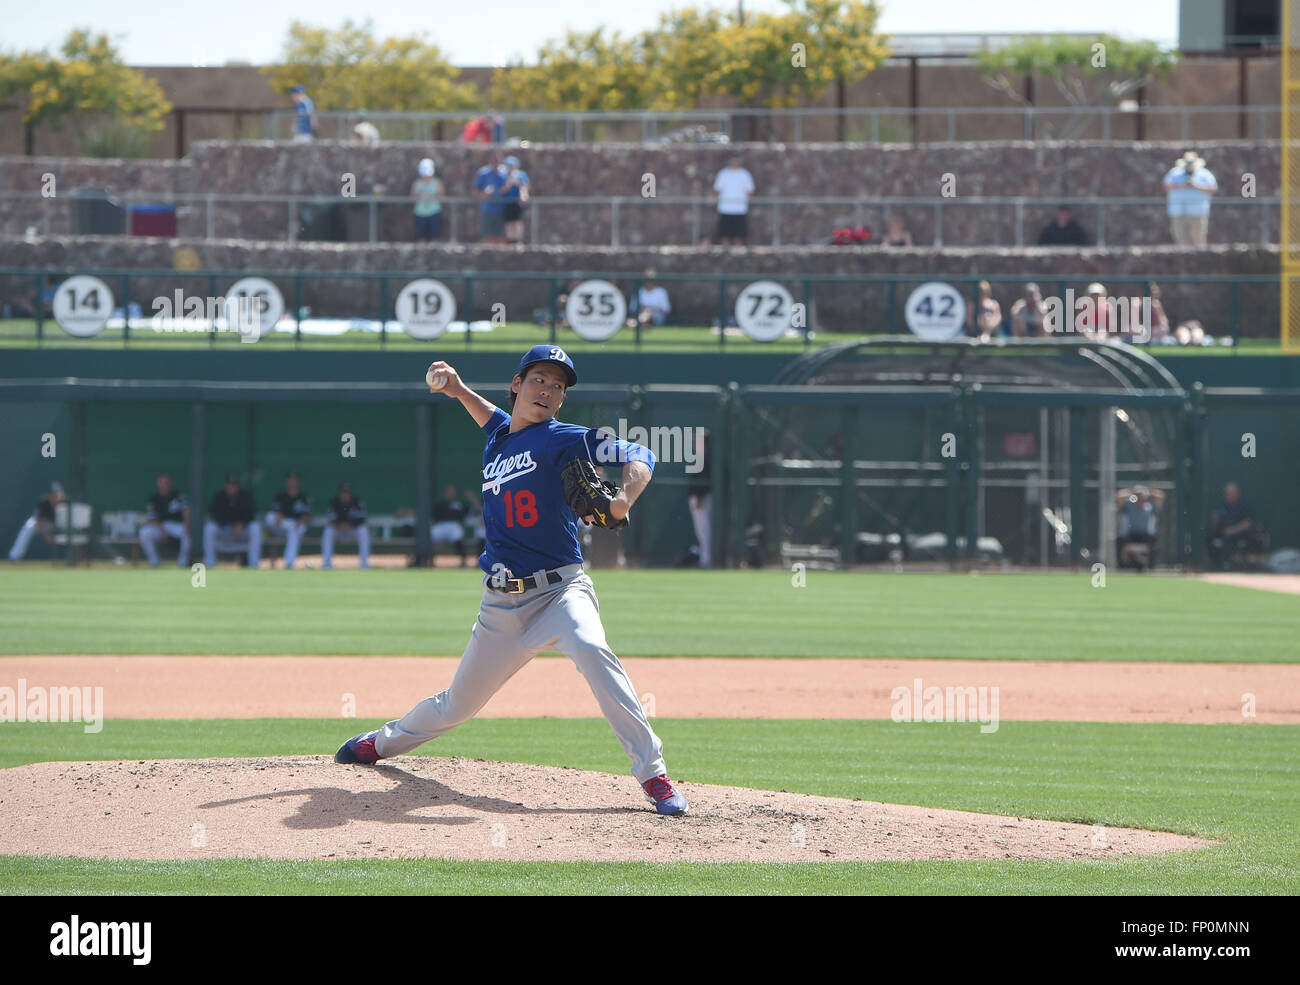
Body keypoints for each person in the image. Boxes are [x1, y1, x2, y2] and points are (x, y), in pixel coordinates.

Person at [335, 345, 688, 817]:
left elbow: (640, 453)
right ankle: (379, 743)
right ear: (517, 385)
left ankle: (654, 775)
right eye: (540, 379)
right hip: (500, 606)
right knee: (455, 706)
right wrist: (458, 389)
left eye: (558, 386)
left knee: (592, 650)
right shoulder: (500, 433)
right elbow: (490, 415)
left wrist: (623, 498)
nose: (549, 390)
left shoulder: (566, 438)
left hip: (561, 591)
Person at [203, 473, 261, 568]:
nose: (232, 487)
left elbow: (253, 514)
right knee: (209, 528)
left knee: (255, 528)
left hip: (242, 532)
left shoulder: (245, 497)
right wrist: (231, 524)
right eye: (229, 485)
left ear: (238, 486)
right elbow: (214, 515)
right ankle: (210, 563)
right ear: (226, 485)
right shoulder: (219, 497)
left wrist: (242, 524)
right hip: (225, 531)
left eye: (234, 485)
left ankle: (253, 564)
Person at [1207, 482, 1268, 571]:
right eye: (1228, 493)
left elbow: (1247, 523)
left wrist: (1232, 530)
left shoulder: (1244, 506)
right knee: (1210, 539)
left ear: (1237, 494)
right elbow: (1216, 521)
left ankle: (1226, 563)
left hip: (1239, 534)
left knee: (1229, 538)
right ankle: (1214, 563)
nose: (1230, 495)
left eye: (1232, 493)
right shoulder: (1222, 505)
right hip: (1223, 532)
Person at [139, 472, 190, 568]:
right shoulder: (153, 499)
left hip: (175, 525)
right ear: (158, 484)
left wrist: (187, 526)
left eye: (167, 482)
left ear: (171, 483)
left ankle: (183, 563)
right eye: (162, 483)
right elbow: (152, 519)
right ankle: (154, 563)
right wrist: (163, 532)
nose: (165, 485)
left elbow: (186, 511)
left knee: (186, 533)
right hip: (160, 526)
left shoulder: (178, 496)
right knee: (144, 533)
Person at [7, 482, 65, 561]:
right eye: (53, 494)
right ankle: (14, 556)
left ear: (61, 494)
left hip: (62, 524)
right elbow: (38, 520)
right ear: (49, 495)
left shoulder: (66, 503)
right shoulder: (44, 503)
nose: (55, 496)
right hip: (45, 524)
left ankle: (78, 558)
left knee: (77, 530)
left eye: (57, 494)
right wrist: (46, 535)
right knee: (29, 526)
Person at [264, 472, 311, 569]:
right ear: (287, 482)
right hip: (282, 526)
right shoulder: (281, 495)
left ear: (298, 482)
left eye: (294, 480)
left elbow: (306, 516)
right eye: (290, 480)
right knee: (269, 517)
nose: (292, 482)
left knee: (294, 530)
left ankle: (289, 563)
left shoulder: (303, 497)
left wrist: (299, 523)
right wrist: (280, 516)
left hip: (298, 526)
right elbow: (276, 513)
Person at [322, 483, 370, 569]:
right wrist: (339, 525)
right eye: (343, 493)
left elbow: (362, 518)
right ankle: (327, 564)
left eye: (347, 493)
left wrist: (350, 525)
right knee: (328, 531)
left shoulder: (357, 502)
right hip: (338, 530)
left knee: (363, 531)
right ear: (340, 493)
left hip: (352, 531)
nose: (345, 495)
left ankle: (364, 563)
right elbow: (331, 519)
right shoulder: (334, 502)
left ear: (351, 494)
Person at [1115, 486, 1164, 572]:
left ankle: (1151, 567)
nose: (1140, 498)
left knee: (1154, 541)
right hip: (1131, 535)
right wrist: (1132, 492)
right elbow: (1118, 496)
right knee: (1119, 540)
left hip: (1145, 536)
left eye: (1142, 496)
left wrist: (1149, 491)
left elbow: (1161, 496)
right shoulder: (1129, 506)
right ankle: (1122, 567)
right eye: (1138, 496)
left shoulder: (1150, 507)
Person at [712, 154, 755, 246]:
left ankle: (738, 254)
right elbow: (716, 190)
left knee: (738, 235)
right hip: (725, 208)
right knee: (724, 234)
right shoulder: (723, 174)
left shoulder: (745, 174)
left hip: (740, 209)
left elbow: (751, 191)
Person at [687, 430, 712, 569]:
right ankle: (705, 558)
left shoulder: (707, 459)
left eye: (698, 442)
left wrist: (699, 498)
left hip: (703, 499)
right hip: (697, 498)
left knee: (705, 531)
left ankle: (706, 560)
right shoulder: (698, 458)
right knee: (701, 531)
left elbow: (705, 481)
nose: (695, 444)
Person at [431, 483, 469, 566]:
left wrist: (471, 497)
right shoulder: (440, 504)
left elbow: (469, 513)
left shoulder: (460, 504)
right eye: (449, 491)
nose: (450, 493)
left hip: (454, 525)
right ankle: (429, 560)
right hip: (441, 525)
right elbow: (434, 517)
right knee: (432, 533)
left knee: (458, 533)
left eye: (452, 491)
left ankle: (463, 561)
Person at [474, 153, 507, 245]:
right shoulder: (483, 173)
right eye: (493, 162)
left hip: (502, 209)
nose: (495, 164)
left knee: (501, 236)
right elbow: (475, 190)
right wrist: (483, 195)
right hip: (487, 209)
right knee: (487, 236)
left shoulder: (505, 173)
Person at [500, 155, 530, 246]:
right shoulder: (503, 175)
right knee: (509, 222)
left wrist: (517, 183)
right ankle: (509, 241)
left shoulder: (521, 175)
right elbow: (502, 190)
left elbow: (525, 187)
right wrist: (509, 184)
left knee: (517, 222)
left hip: (517, 203)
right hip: (507, 203)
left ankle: (517, 241)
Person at [412, 158, 442, 242]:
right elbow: (413, 197)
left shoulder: (437, 182)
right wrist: (421, 196)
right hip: (420, 212)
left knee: (435, 236)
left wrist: (432, 197)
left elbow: (441, 196)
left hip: (434, 211)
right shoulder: (417, 183)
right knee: (421, 237)